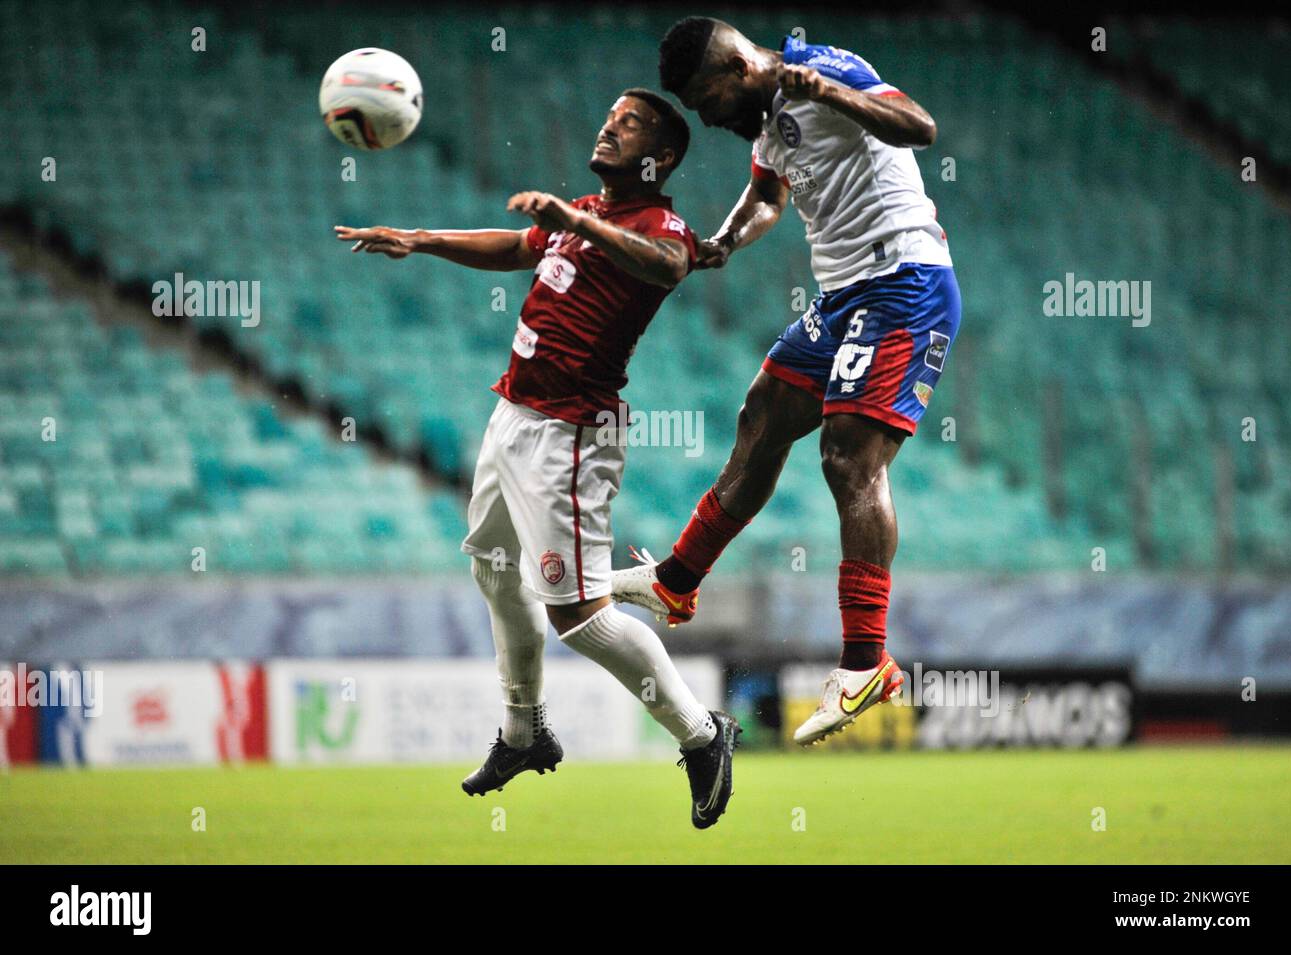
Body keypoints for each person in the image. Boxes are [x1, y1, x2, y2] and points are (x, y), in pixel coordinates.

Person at [335, 88, 740, 829]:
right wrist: (420, 238)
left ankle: (703, 734)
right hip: (513, 412)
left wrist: (574, 219)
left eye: (628, 124)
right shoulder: (584, 215)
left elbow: (668, 265)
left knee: (579, 618)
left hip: (570, 435)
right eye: (608, 116)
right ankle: (523, 732)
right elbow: (512, 246)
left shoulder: (656, 223)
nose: (608, 127)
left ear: (663, 156)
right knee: (491, 565)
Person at [613, 18, 962, 746]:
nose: (709, 119)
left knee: (847, 456)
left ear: (739, 66)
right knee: (762, 417)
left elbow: (918, 125)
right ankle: (677, 579)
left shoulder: (823, 69)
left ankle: (866, 662)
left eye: (708, 100)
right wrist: (726, 241)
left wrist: (830, 91)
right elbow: (768, 199)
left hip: (903, 281)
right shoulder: (767, 126)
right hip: (841, 295)